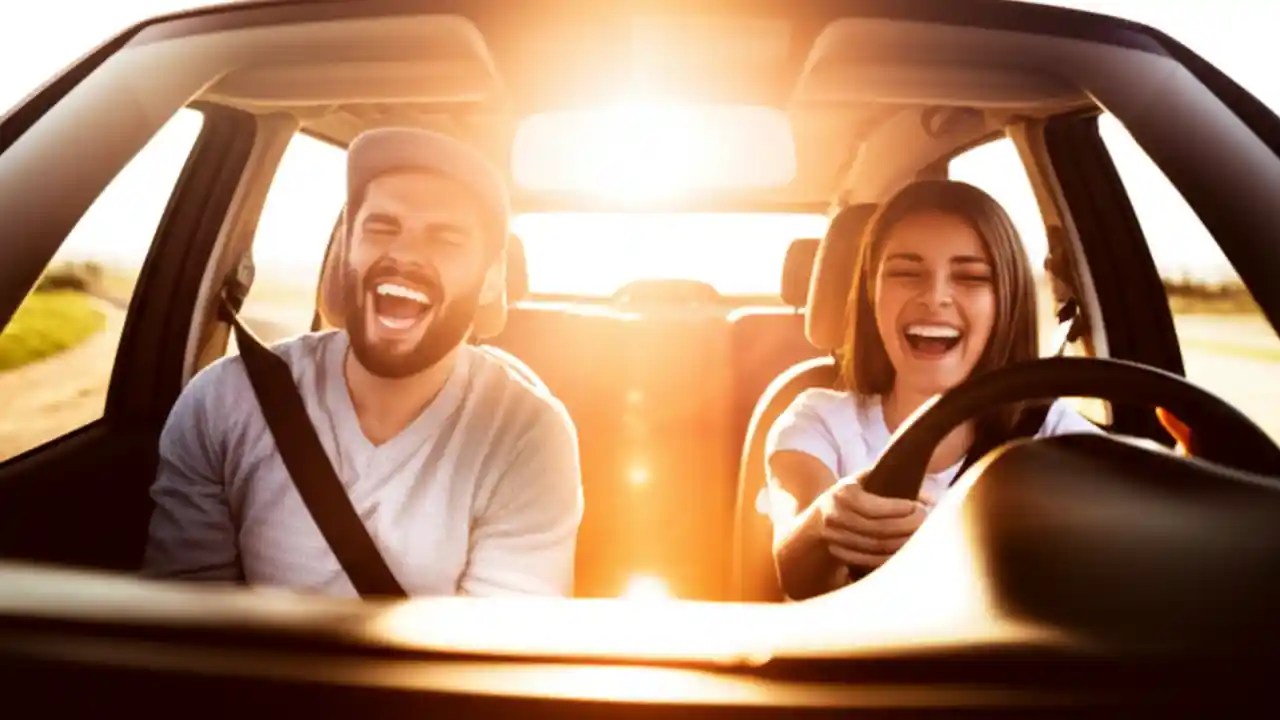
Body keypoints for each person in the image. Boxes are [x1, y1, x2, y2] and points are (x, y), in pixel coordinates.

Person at [142, 127, 584, 597]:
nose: (406, 255)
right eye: (381, 227)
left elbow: (491, 656)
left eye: (447, 239)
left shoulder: (526, 436)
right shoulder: (224, 402)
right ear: (345, 250)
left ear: (493, 279)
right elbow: (188, 624)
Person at [764, 179, 1193, 601]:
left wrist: (1194, 478)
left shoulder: (1047, 432)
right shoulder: (818, 417)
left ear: (1005, 300)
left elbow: (1147, 533)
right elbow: (794, 559)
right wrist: (826, 520)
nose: (935, 297)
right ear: (870, 295)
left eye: (970, 277)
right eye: (905, 272)